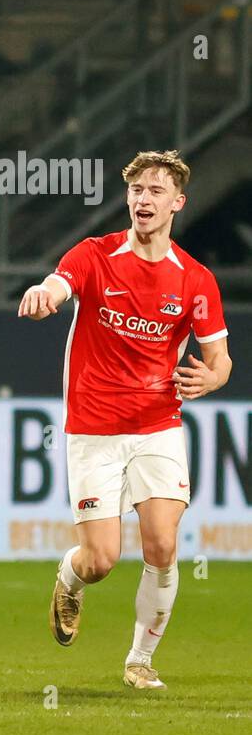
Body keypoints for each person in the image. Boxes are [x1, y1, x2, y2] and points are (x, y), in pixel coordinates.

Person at [18, 150, 231, 690]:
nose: (143, 199)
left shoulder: (196, 280)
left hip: (158, 424)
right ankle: (70, 579)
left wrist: (212, 378)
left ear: (177, 203)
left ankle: (140, 659)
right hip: (93, 428)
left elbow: (219, 358)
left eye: (156, 191)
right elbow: (60, 283)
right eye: (136, 189)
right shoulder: (95, 255)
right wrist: (45, 294)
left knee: (161, 545)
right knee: (101, 559)